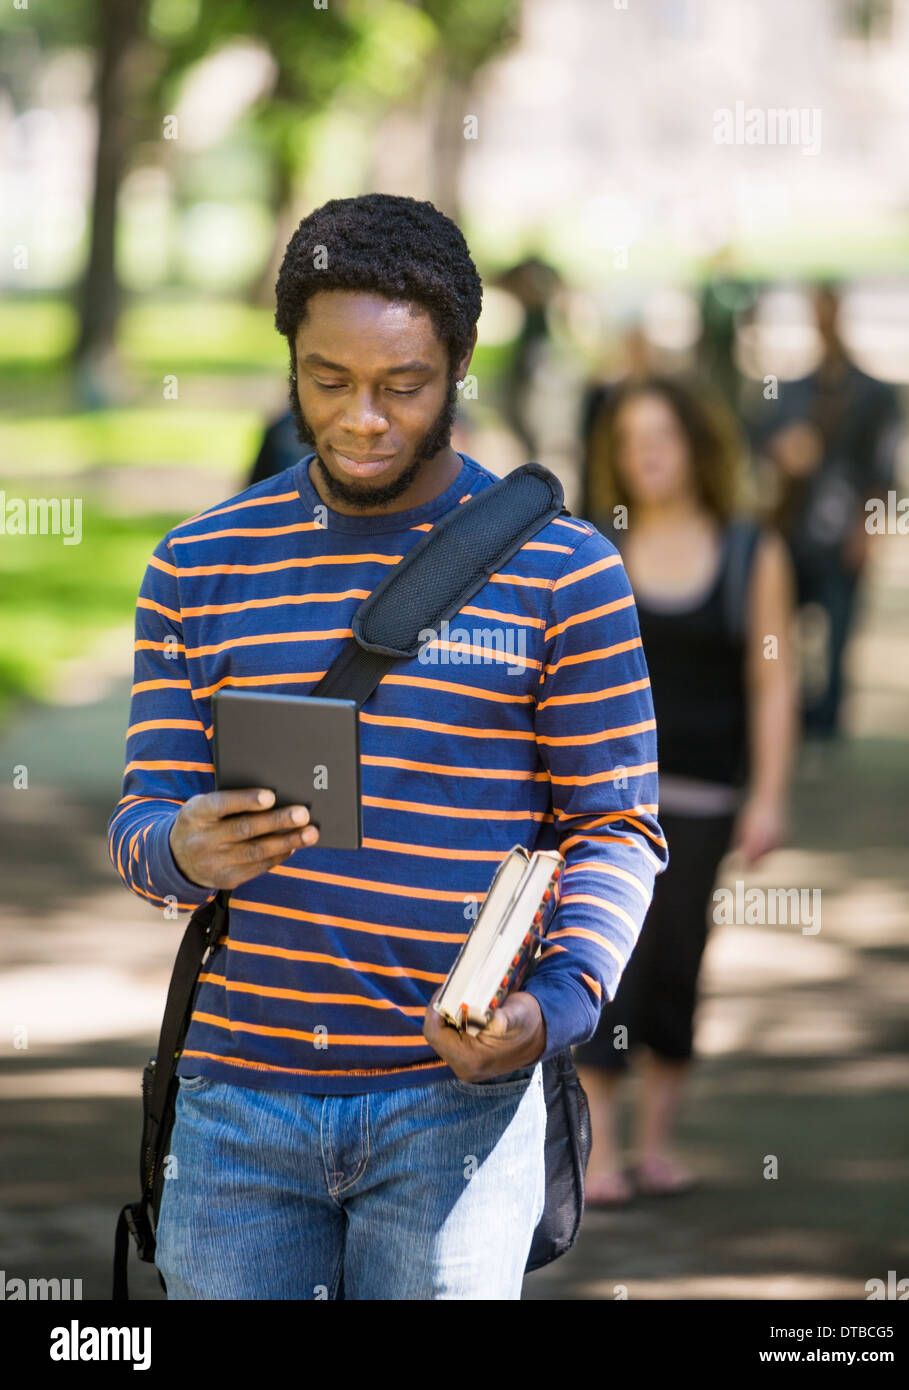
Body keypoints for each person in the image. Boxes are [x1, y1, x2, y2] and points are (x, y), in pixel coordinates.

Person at [106, 194, 668, 1299]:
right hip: (237, 1105)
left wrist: (555, 1004)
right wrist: (181, 848)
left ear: (457, 368)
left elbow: (615, 824)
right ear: (290, 364)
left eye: (402, 386)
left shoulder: (562, 573)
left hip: (451, 1107)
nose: (363, 416)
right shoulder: (197, 566)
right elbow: (141, 819)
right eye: (327, 380)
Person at [574, 376, 796, 1203]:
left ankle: (654, 1146)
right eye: (630, 439)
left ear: (695, 444)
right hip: (604, 807)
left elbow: (773, 683)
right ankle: (596, 1158)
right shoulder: (594, 548)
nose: (647, 454)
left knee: (677, 964)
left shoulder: (751, 553)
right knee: (605, 961)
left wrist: (770, 794)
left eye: (661, 434)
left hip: (704, 802)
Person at [751, 283, 902, 739]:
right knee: (780, 630)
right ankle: (786, 708)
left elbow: (885, 470)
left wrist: (868, 533)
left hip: (843, 530)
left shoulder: (874, 394)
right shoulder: (793, 389)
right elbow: (755, 435)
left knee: (838, 634)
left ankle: (827, 721)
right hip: (794, 529)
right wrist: (783, 451)